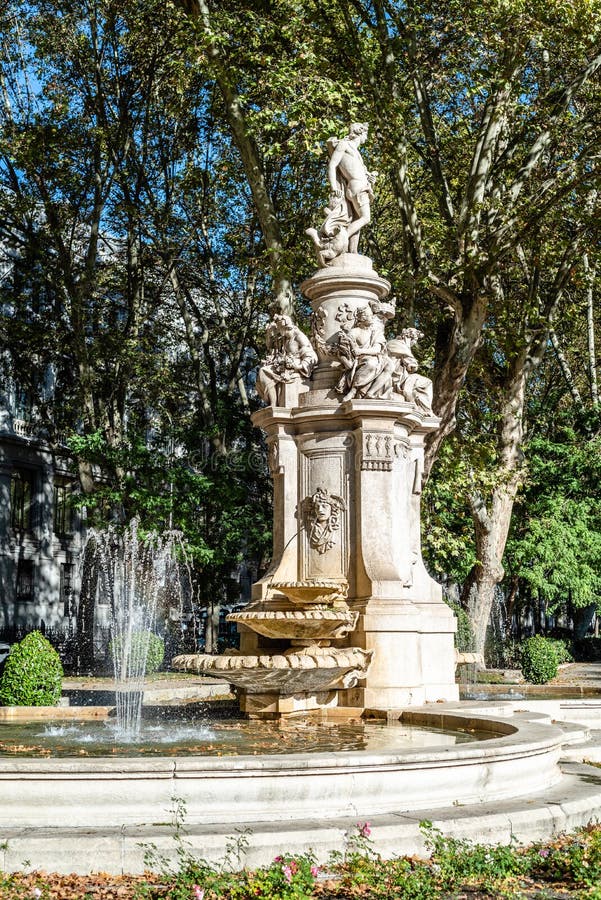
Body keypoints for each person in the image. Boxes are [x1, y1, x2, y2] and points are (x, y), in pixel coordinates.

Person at [327, 123, 377, 254]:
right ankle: (342, 237)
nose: (366, 138)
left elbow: (357, 171)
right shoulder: (345, 145)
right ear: (360, 133)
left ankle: (352, 252)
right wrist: (333, 187)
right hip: (357, 187)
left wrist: (370, 180)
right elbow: (332, 165)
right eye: (366, 134)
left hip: (359, 186)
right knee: (366, 218)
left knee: (356, 220)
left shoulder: (356, 152)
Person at [256, 315, 317, 406]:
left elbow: (310, 354)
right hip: (284, 365)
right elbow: (270, 347)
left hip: (295, 365)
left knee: (264, 372)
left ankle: (273, 403)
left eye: (279, 329)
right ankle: (273, 402)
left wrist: (298, 366)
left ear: (284, 327)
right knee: (263, 371)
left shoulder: (298, 336)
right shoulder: (285, 338)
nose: (278, 332)